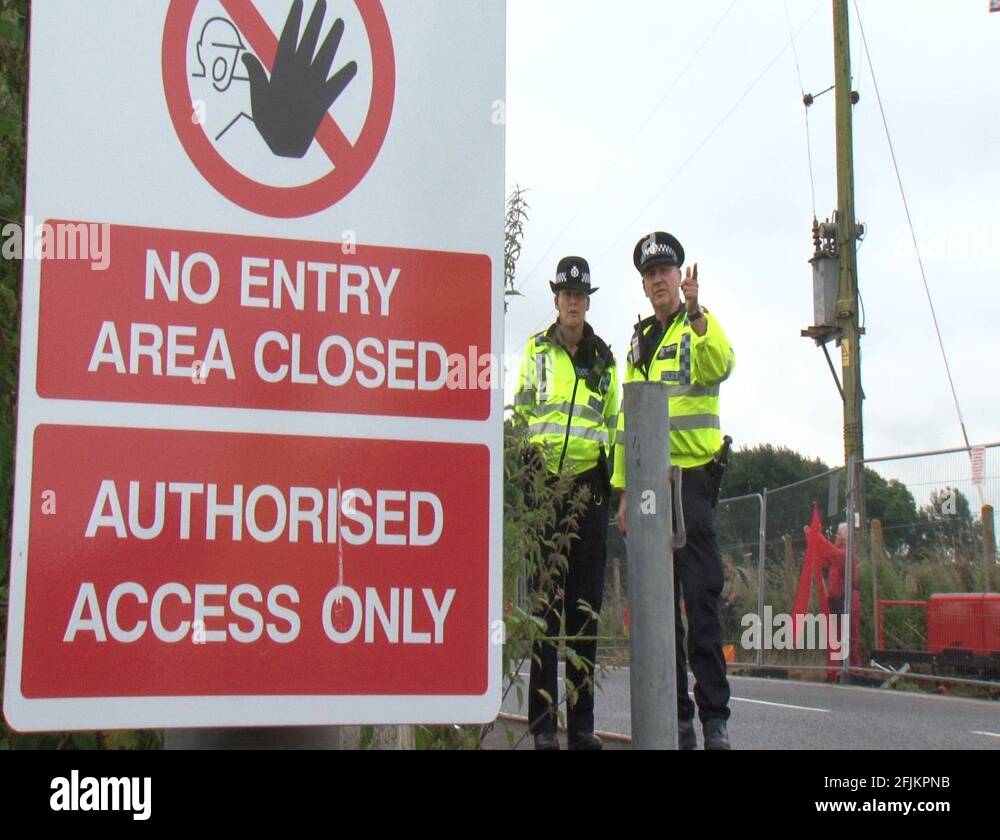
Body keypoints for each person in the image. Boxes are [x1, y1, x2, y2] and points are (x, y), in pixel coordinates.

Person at [612, 231, 736, 750]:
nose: (659, 280)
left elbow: (723, 364)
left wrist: (699, 312)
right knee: (658, 603)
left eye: (667, 271)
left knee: (700, 601)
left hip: (692, 483)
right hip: (648, 489)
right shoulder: (639, 341)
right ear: (643, 286)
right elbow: (627, 421)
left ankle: (714, 719)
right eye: (651, 274)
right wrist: (621, 489)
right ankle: (677, 716)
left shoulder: (698, 326)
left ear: (679, 277)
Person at [513, 256, 618, 750]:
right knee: (543, 617)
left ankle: (580, 727)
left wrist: (611, 487)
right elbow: (522, 412)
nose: (573, 303)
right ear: (556, 300)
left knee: (584, 614)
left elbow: (614, 426)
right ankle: (540, 727)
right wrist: (527, 466)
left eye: (580, 296)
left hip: (588, 493)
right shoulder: (535, 350)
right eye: (566, 295)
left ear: (587, 301)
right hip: (545, 491)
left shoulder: (605, 359)